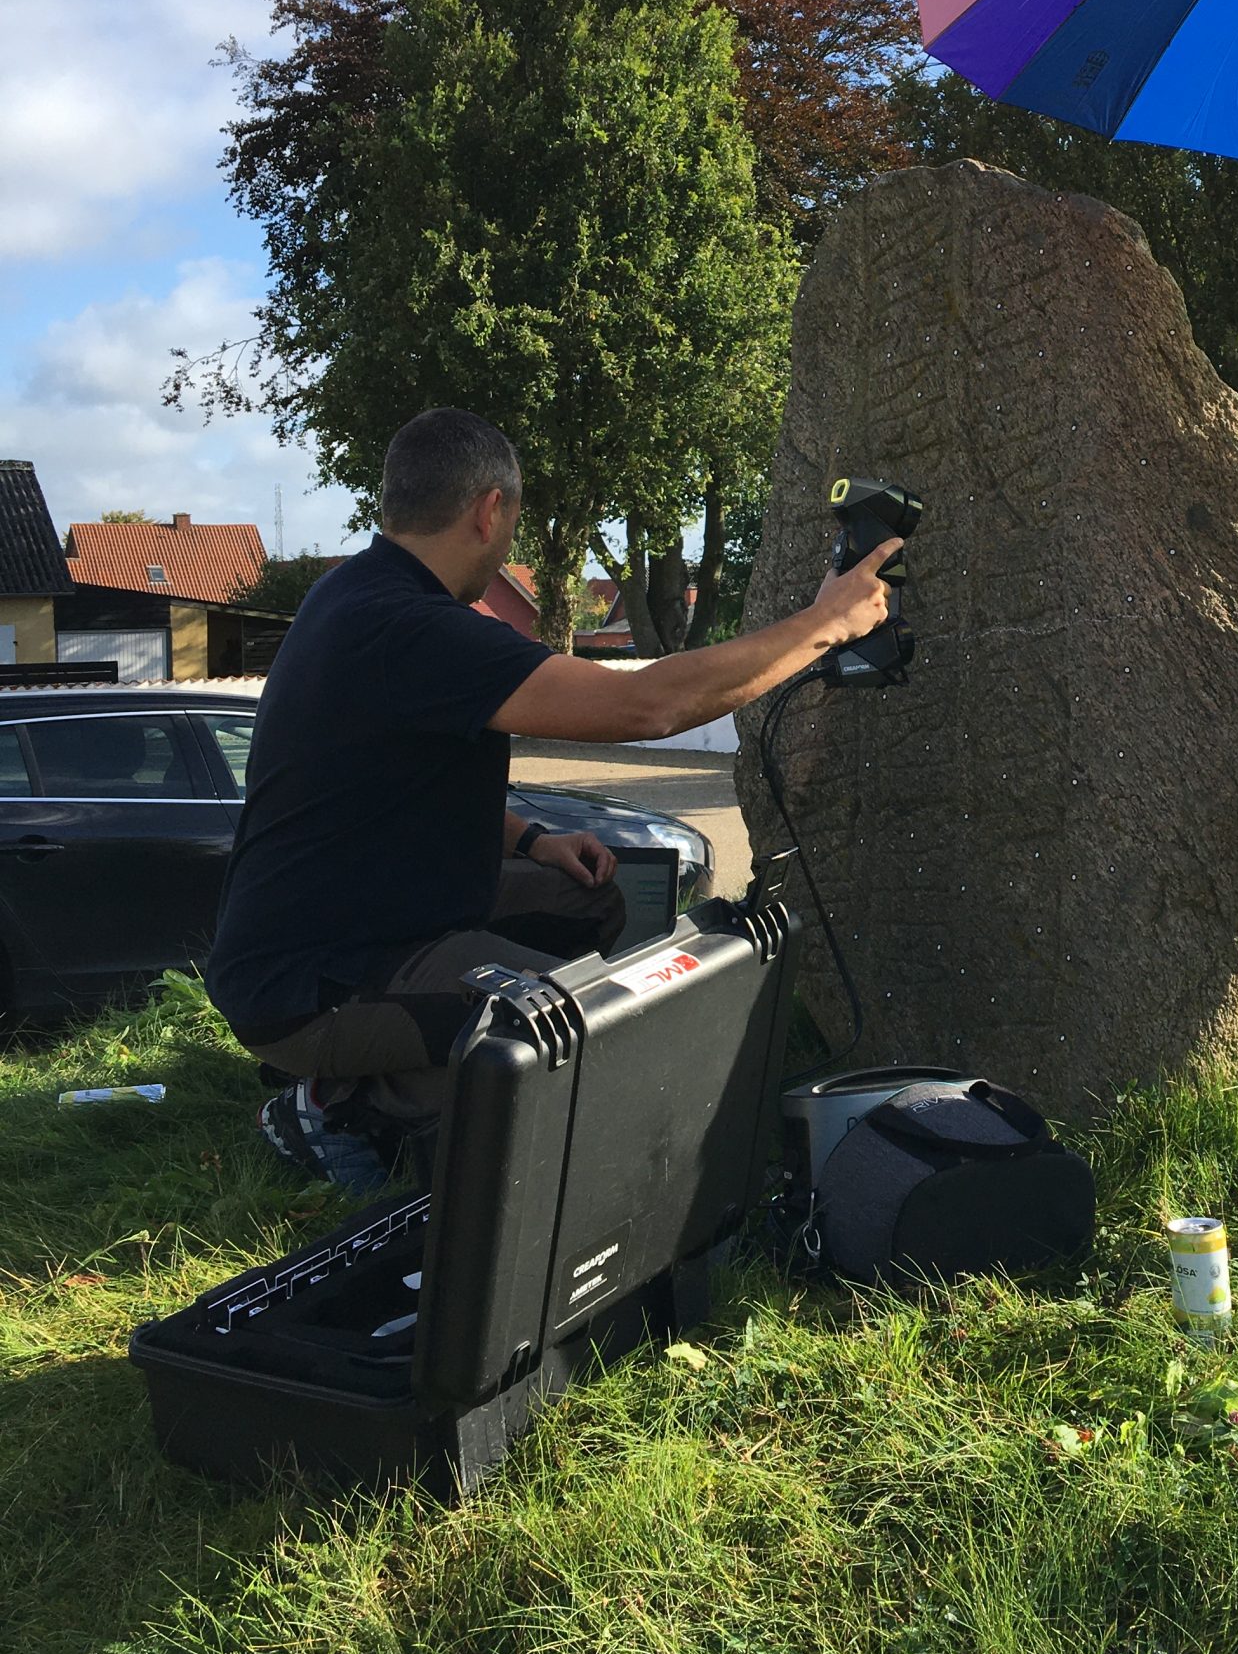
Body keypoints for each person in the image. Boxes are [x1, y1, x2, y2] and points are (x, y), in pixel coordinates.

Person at [207, 408, 895, 1195]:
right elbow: (646, 708)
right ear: (489, 509)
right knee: (592, 1030)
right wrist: (826, 622)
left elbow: (383, 786)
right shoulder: (405, 625)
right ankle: (344, 1103)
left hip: (392, 910)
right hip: (318, 981)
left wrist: (533, 840)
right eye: (512, 524)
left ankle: (468, 1066)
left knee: (605, 897)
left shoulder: (358, 597)